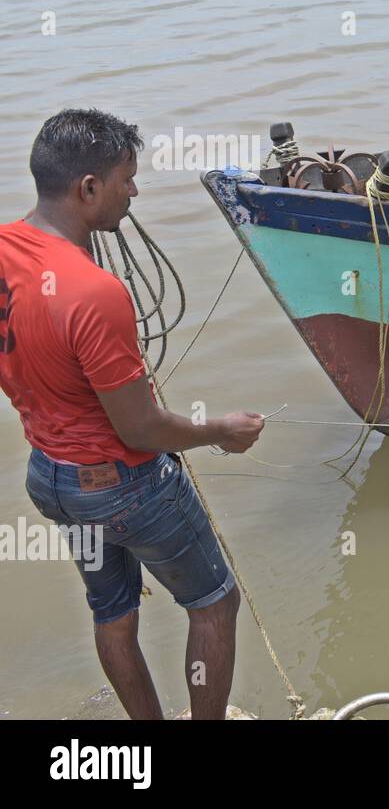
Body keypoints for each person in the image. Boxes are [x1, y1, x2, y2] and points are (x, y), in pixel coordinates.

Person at [0, 108, 265, 719]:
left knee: (114, 617)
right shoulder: (94, 291)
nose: (135, 191)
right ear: (88, 189)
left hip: (51, 478)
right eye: (127, 178)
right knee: (214, 604)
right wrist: (217, 431)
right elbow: (139, 428)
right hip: (125, 486)